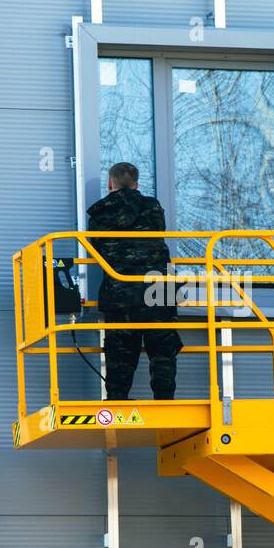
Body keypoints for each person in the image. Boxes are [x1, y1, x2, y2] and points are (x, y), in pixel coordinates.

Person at [87, 162, 183, 400]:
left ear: (110, 184)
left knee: (120, 353)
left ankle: (117, 401)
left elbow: (97, 249)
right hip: (158, 288)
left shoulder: (100, 213)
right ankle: (165, 403)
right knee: (163, 351)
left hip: (121, 292)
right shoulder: (153, 207)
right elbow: (159, 233)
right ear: (136, 183)